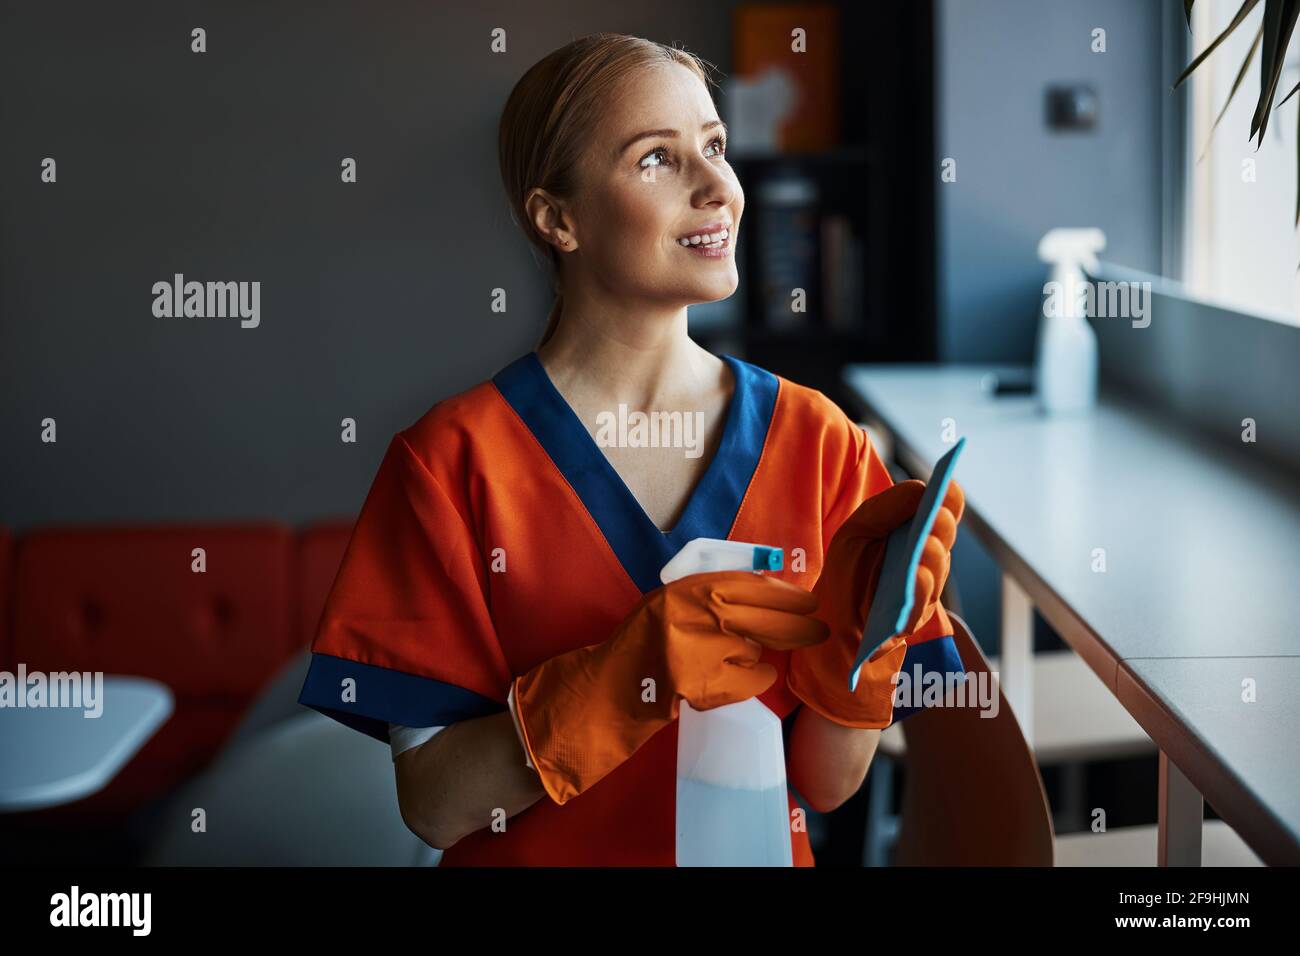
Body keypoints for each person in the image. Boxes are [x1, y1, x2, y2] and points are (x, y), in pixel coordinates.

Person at [298, 32, 964, 866]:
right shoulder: (449, 465)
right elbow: (435, 807)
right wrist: (622, 677)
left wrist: (868, 649)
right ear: (559, 218)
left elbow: (827, 786)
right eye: (656, 159)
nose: (717, 186)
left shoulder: (822, 445)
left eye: (715, 147)